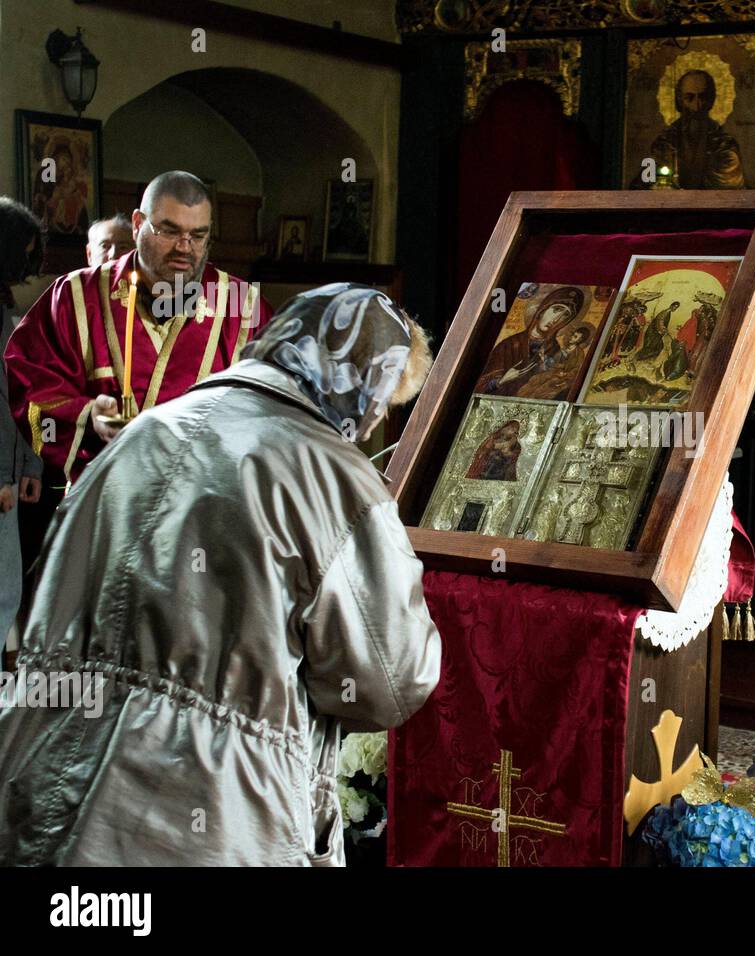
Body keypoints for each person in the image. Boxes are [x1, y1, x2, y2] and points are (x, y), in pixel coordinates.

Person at [0, 283, 440, 866]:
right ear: (364, 380)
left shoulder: (144, 431)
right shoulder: (337, 480)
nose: (378, 414)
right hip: (209, 816)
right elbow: (390, 679)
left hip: (46, 790)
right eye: (385, 397)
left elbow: (43, 602)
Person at [5, 170, 274, 490]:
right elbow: (28, 381)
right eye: (169, 231)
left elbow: (274, 411)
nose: (184, 248)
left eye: (198, 235)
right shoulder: (76, 295)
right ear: (137, 224)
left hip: (204, 508)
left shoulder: (242, 308)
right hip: (105, 502)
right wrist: (88, 414)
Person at [0, 198, 43, 650]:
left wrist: (29, 465)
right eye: (20, 254)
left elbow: (19, 394)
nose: (25, 268)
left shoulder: (8, 310)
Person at [643, 69, 746, 189]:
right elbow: (647, 183)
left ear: (711, 99)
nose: (697, 105)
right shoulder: (665, 142)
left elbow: (730, 186)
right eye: (689, 98)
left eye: (702, 97)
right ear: (679, 100)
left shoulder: (725, 144)